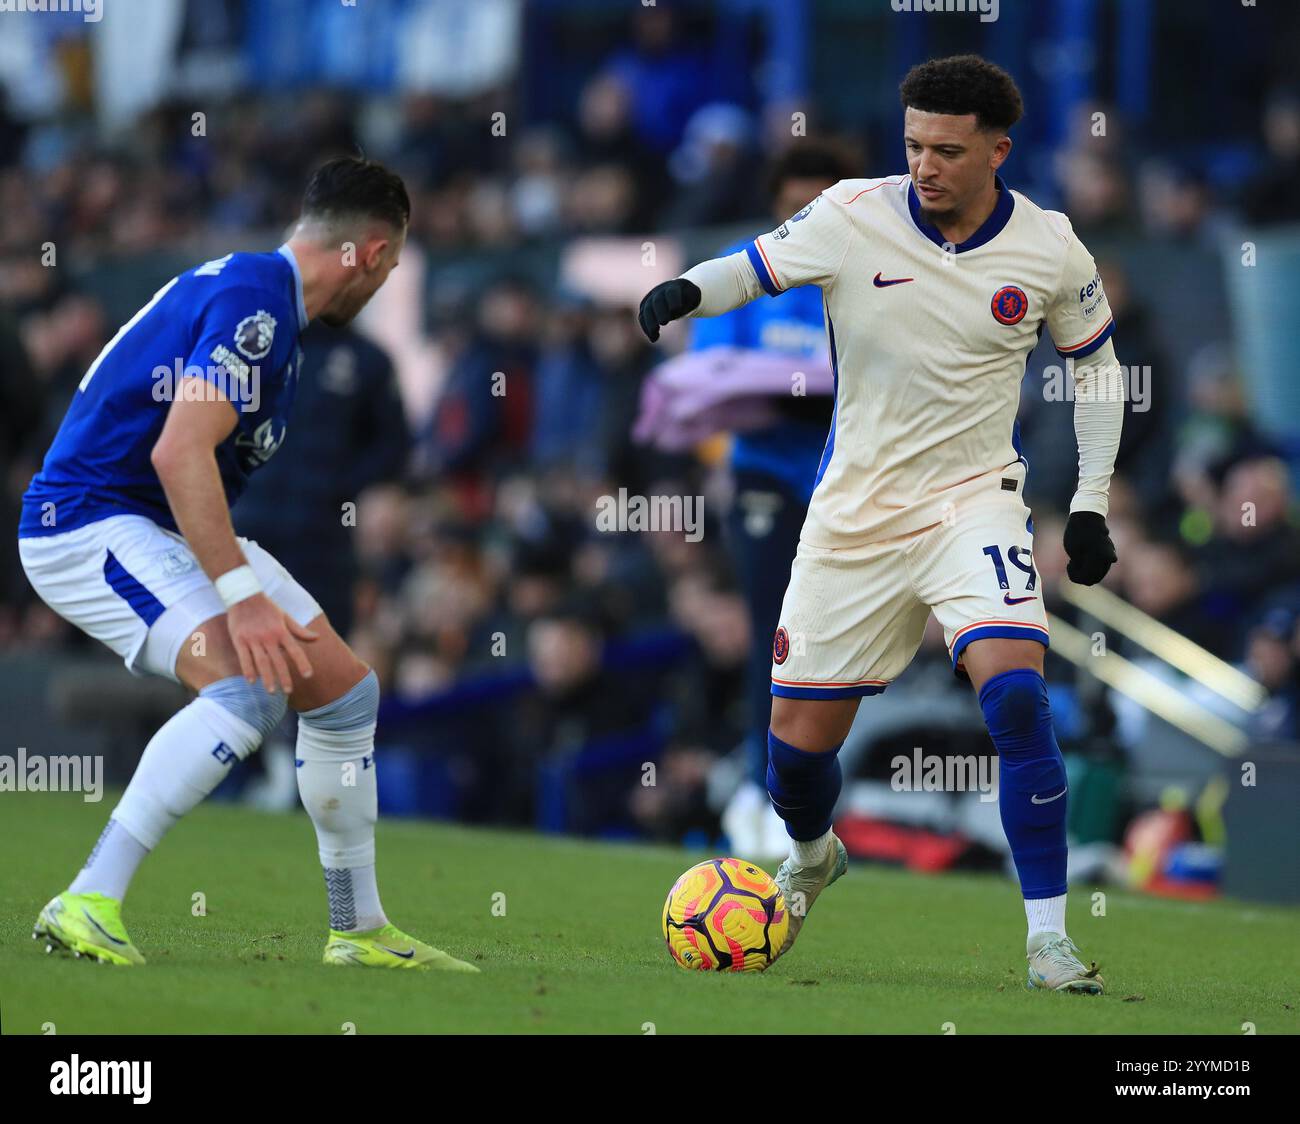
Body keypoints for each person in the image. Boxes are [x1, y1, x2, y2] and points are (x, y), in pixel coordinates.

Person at [638, 55, 1125, 994]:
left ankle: (1049, 943)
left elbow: (1099, 370)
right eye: (913, 145)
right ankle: (815, 852)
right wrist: (684, 291)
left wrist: (1094, 503)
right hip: (853, 519)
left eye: (947, 149)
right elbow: (750, 268)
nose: (925, 165)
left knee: (1017, 700)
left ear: (998, 151)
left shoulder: (1051, 247)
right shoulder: (852, 213)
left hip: (972, 502)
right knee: (792, 761)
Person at [18, 157, 476, 973]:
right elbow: (178, 451)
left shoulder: (268, 306)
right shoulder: (256, 304)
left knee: (342, 694)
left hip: (155, 527)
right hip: (89, 524)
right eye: (393, 264)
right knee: (247, 690)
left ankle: (358, 929)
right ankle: (88, 898)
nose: (386, 281)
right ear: (368, 254)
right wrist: (242, 597)